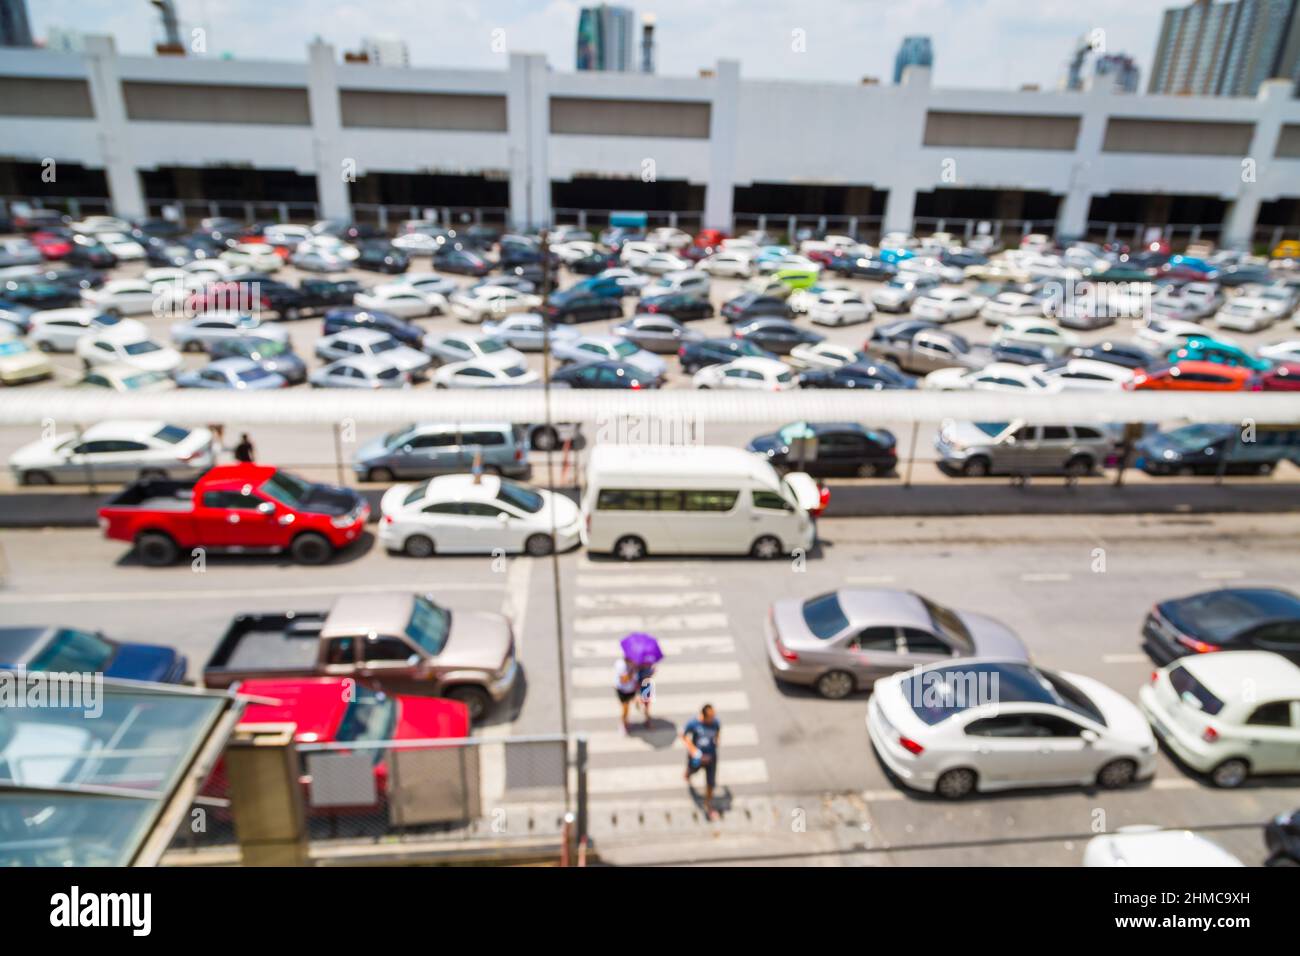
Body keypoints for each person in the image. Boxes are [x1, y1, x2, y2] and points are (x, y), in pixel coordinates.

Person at [682, 703, 721, 819]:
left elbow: (717, 733)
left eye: (714, 716)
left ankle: (708, 805)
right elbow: (684, 736)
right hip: (697, 758)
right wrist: (693, 750)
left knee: (710, 783)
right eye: (711, 717)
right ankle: (688, 773)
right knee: (692, 771)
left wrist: (716, 741)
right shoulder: (694, 724)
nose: (713, 719)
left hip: (711, 758)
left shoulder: (716, 723)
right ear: (704, 716)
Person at [613, 656, 639, 734]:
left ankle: (625, 721)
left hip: (631, 689)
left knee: (628, 707)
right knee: (625, 709)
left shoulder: (634, 663)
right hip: (623, 690)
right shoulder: (620, 664)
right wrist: (632, 671)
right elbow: (623, 680)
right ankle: (623, 724)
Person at [635, 660, 656, 727]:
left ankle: (647, 720)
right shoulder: (639, 664)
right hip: (643, 685)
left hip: (646, 685)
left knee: (646, 704)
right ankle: (648, 721)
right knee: (646, 703)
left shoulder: (648, 663)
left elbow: (651, 673)